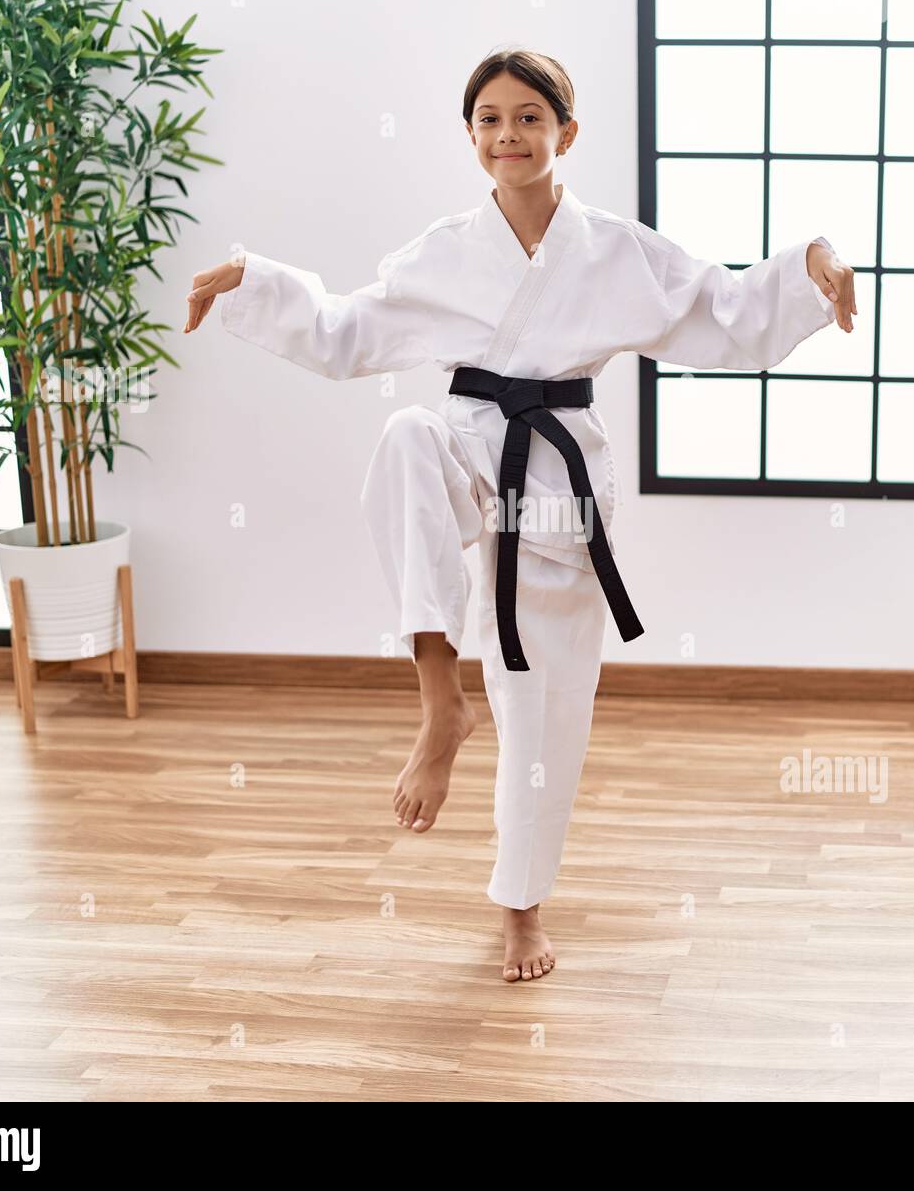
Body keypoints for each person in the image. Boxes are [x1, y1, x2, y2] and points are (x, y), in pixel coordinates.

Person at [184, 48, 856, 983]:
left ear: (564, 133)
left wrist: (810, 266)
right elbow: (345, 329)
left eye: (530, 117)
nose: (510, 134)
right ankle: (440, 700)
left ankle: (520, 910)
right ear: (471, 138)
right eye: (491, 119)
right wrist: (252, 281)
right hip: (468, 444)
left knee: (544, 720)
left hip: (560, 488)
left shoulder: (619, 250)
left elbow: (728, 308)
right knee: (406, 440)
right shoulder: (444, 251)